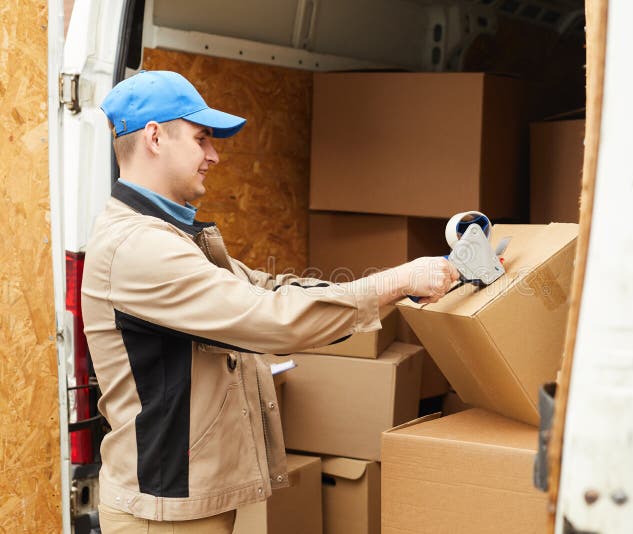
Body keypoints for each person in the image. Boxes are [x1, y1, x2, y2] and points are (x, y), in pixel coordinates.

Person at [82, 70, 458, 534]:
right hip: (161, 513)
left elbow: (268, 289)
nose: (214, 155)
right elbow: (270, 319)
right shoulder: (141, 247)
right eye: (202, 139)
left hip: (182, 504)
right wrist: (398, 282)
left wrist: (396, 283)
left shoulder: (168, 235)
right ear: (156, 137)